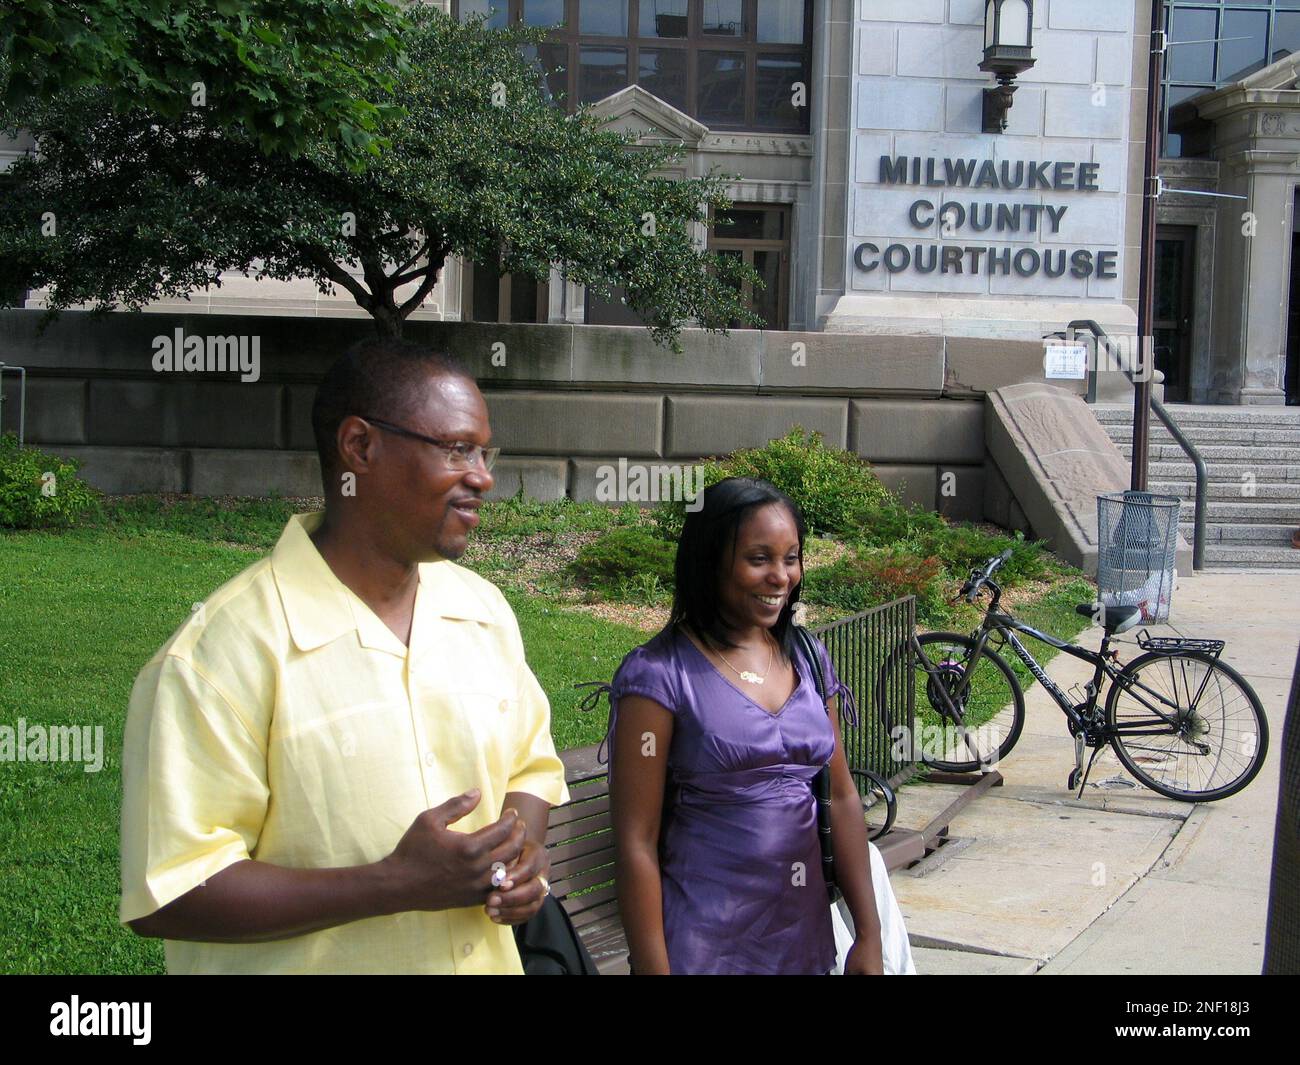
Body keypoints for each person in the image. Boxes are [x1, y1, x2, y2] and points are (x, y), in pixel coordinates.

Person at [119, 339, 568, 974]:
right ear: (360, 447)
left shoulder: (483, 611)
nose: (483, 476)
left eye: (483, 451)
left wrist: (519, 852)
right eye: (457, 449)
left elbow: (530, 767)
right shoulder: (222, 654)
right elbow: (170, 892)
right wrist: (395, 883)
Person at [609, 477, 886, 974]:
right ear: (710, 561)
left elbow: (842, 796)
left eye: (791, 557)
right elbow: (636, 839)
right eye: (759, 559)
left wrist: (868, 933)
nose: (781, 576)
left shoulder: (807, 657)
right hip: (703, 945)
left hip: (803, 941)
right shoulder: (659, 674)